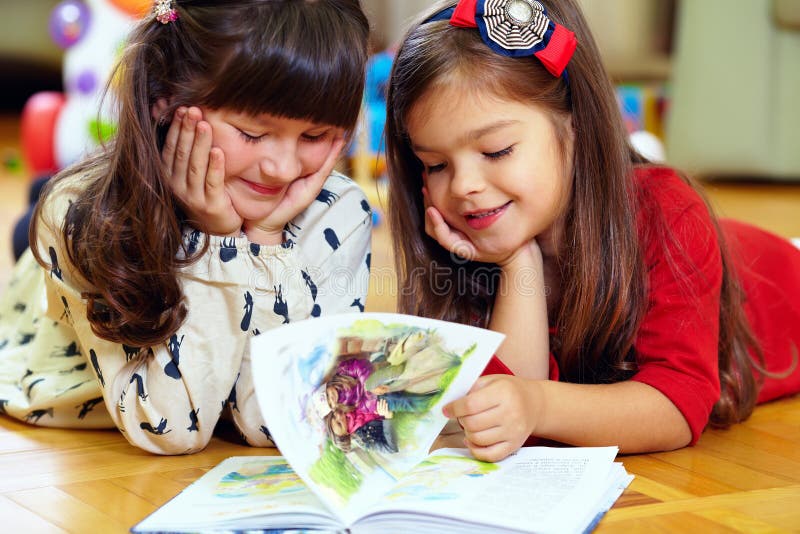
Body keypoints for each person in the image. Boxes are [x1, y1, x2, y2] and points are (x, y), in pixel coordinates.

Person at [384, 0, 800, 462]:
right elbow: (502, 410)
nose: (463, 186)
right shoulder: (468, 249)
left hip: (781, 279)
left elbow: (676, 408)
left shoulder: (668, 213)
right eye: (436, 165)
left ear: (576, 126)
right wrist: (516, 259)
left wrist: (539, 405)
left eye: (497, 151)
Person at [0, 0, 372, 455]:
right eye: (253, 134)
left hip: (125, 207)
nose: (281, 168)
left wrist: (261, 241)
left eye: (314, 137)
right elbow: (172, 428)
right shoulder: (79, 216)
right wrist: (215, 238)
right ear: (166, 98)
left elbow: (274, 422)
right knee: (42, 220)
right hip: (78, 257)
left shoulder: (338, 212)